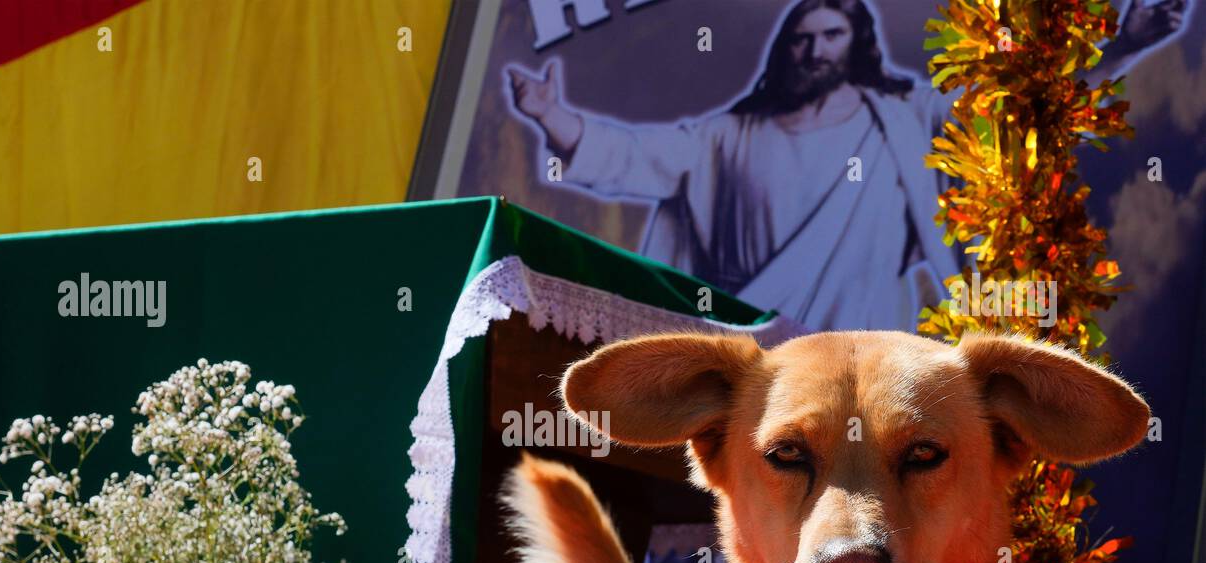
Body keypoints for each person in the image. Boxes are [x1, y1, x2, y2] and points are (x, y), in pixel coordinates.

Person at [508, 0, 1189, 331]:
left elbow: (1009, 113)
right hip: (744, 369)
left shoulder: (903, 120)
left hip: (866, 380)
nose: (812, 49)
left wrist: (1121, 48)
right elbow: (631, 156)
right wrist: (551, 116)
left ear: (854, 41)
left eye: (829, 34)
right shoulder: (726, 136)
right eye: (799, 38)